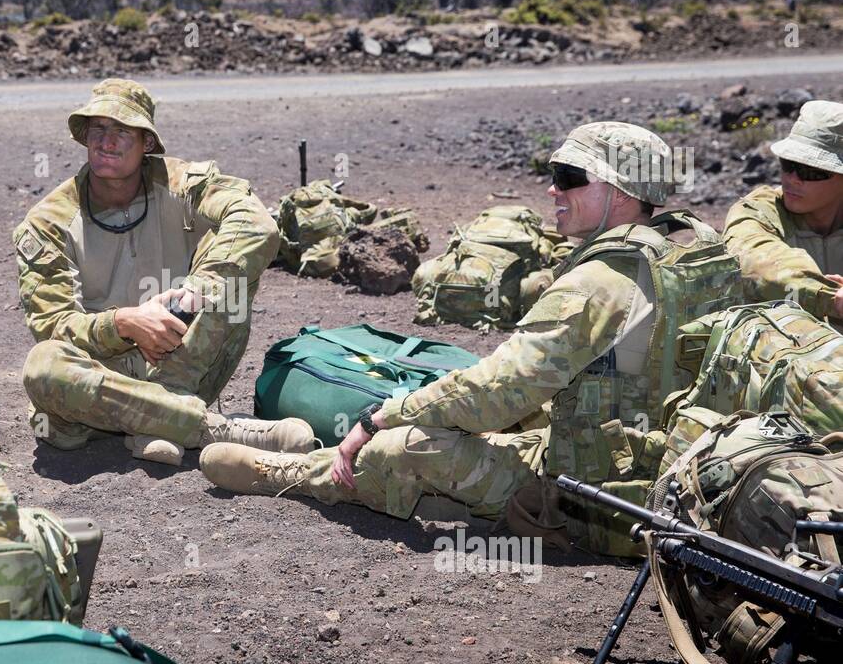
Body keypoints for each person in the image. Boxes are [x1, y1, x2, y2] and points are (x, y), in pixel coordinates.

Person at [200, 123, 743, 553]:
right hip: (677, 473)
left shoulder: (600, 282)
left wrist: (378, 418)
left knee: (408, 443)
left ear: (623, 193)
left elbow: (495, 393)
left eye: (572, 175)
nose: (553, 187)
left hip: (597, 499)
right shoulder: (700, 252)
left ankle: (299, 473)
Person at [15, 78, 313, 466]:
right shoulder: (47, 222)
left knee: (236, 265)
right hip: (99, 382)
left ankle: (161, 418)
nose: (106, 142)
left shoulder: (181, 183)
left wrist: (200, 286)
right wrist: (124, 323)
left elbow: (257, 224)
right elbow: (52, 325)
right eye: (98, 129)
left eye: (122, 131)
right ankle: (208, 427)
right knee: (43, 364)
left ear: (147, 144)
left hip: (183, 359)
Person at [724, 100, 843, 328]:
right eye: (788, 164)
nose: (792, 179)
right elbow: (754, 259)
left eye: (811, 171)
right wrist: (830, 297)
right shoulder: (759, 211)